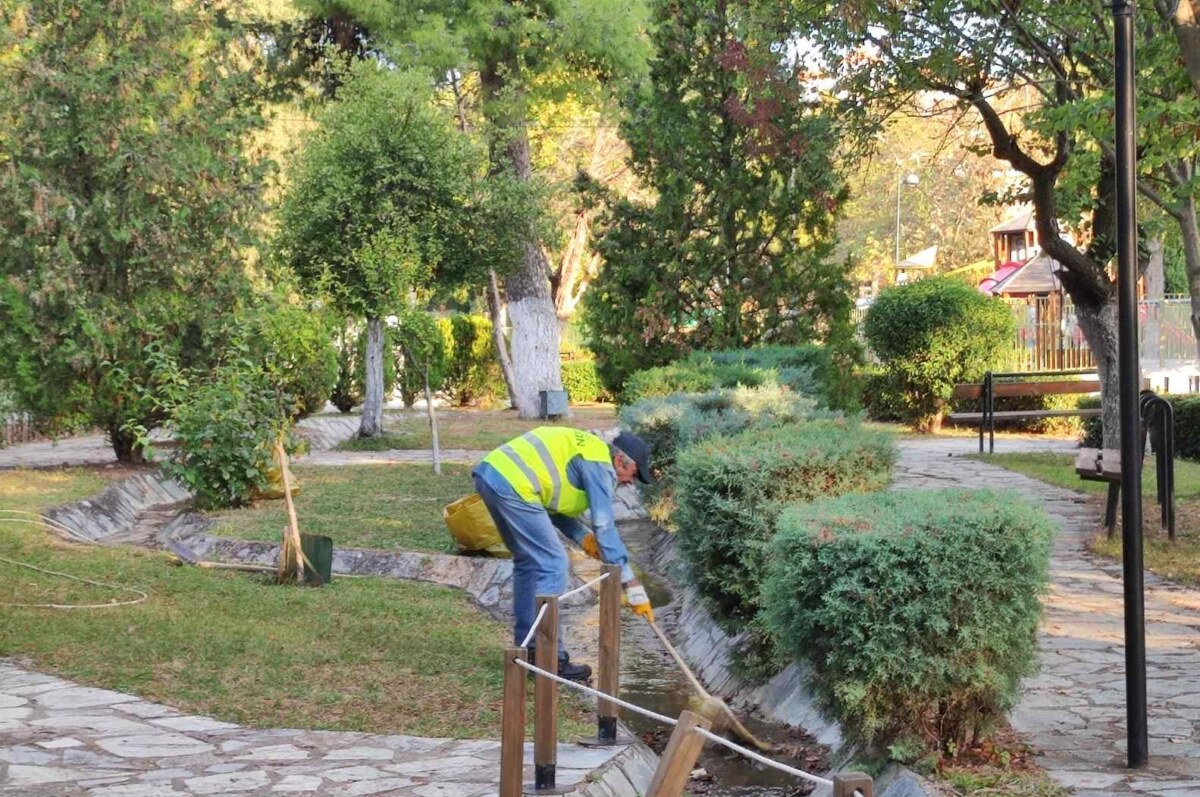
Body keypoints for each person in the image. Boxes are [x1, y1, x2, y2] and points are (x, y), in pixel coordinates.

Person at [473, 426, 656, 682]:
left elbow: (553, 507)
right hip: (513, 483)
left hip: (491, 475)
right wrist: (632, 585)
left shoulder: (588, 455)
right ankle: (551, 659)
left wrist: (583, 539)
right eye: (633, 474)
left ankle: (529, 650)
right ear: (618, 460)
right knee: (553, 562)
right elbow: (604, 524)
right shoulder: (599, 466)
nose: (630, 482)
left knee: (527, 562)